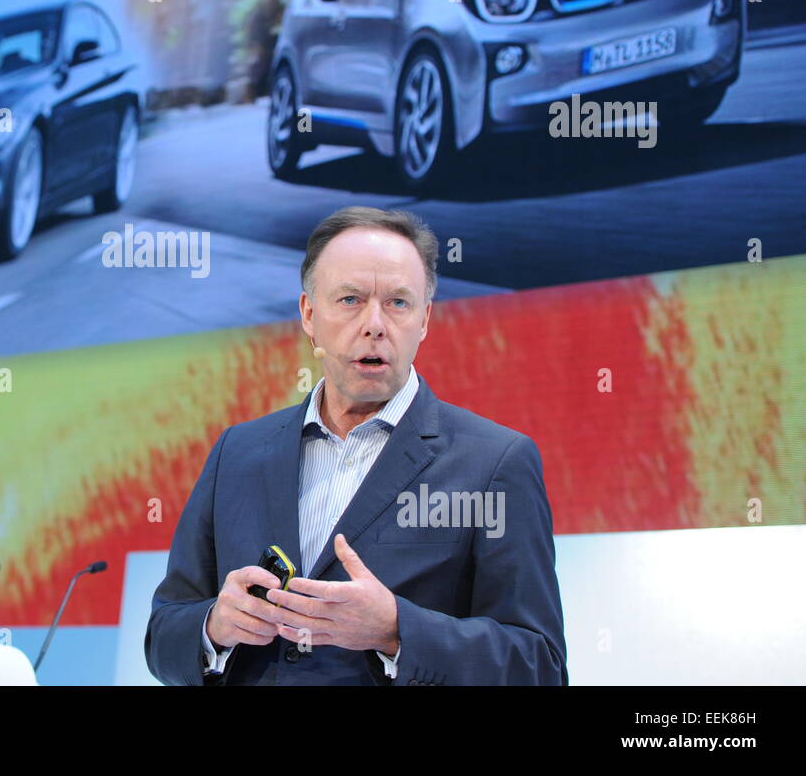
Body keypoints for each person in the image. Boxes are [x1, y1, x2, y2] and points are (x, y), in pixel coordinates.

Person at [145, 206, 567, 685]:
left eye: (398, 303)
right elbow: (163, 634)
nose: (375, 324)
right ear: (308, 313)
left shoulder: (495, 462)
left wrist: (395, 630)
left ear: (425, 320)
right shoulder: (237, 452)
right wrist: (215, 626)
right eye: (349, 299)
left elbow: (540, 666)